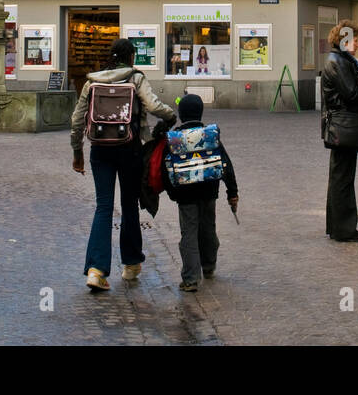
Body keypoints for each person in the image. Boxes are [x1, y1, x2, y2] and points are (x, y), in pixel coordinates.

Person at [70, 38, 177, 291]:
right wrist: (170, 115)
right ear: (131, 58)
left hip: (100, 150)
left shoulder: (92, 81)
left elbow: (77, 120)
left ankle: (96, 270)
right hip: (129, 149)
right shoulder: (135, 78)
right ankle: (130, 265)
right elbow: (153, 105)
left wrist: (77, 153)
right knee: (129, 205)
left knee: (103, 207)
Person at [162, 94, 238, 291]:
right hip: (208, 191)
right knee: (208, 229)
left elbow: (165, 168)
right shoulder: (210, 136)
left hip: (185, 195)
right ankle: (209, 265)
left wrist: (172, 192)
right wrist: (232, 192)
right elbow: (226, 165)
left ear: (181, 114)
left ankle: (191, 278)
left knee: (189, 233)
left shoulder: (176, 138)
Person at [320, 20, 358, 242]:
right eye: (355, 39)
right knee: (343, 178)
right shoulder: (339, 61)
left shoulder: (339, 60)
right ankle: (344, 229)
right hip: (344, 125)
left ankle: (337, 226)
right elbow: (351, 93)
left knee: (339, 176)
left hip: (342, 126)